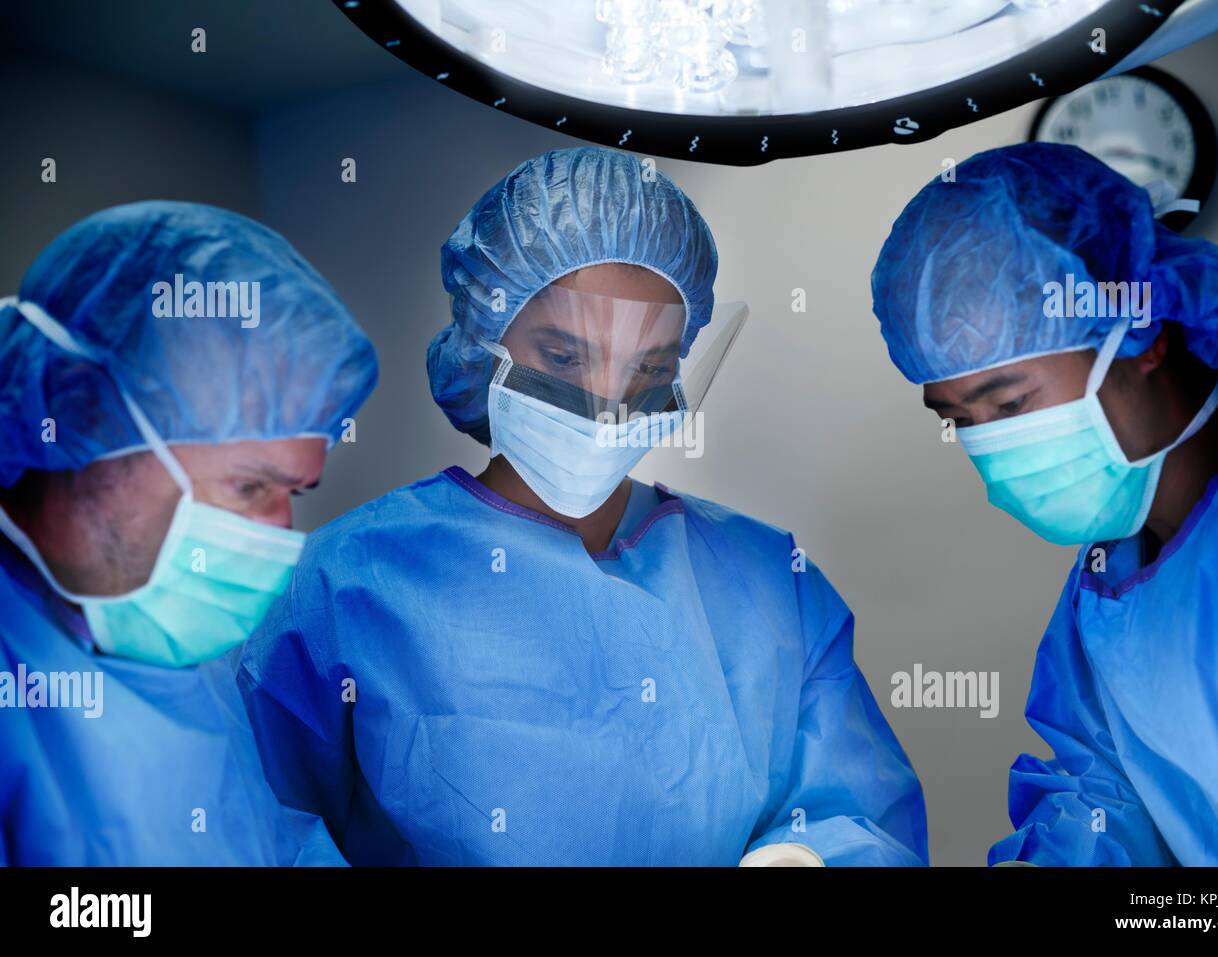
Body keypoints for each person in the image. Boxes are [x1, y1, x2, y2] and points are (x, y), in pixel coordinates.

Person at [238, 146, 928, 866]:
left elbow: (861, 818)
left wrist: (809, 857)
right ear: (484, 342)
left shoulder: (769, 582)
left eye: (651, 368)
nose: (609, 404)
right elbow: (257, 833)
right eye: (564, 358)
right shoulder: (346, 584)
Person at [871, 142, 1218, 865]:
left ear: (1140, 334)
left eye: (1008, 402)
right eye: (958, 422)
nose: (992, 448)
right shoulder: (1103, 595)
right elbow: (1098, 803)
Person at [0, 201, 378, 865]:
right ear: (88, 419)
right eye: (249, 486)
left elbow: (257, 839)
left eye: (295, 493)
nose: (280, 532)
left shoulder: (170, 634)